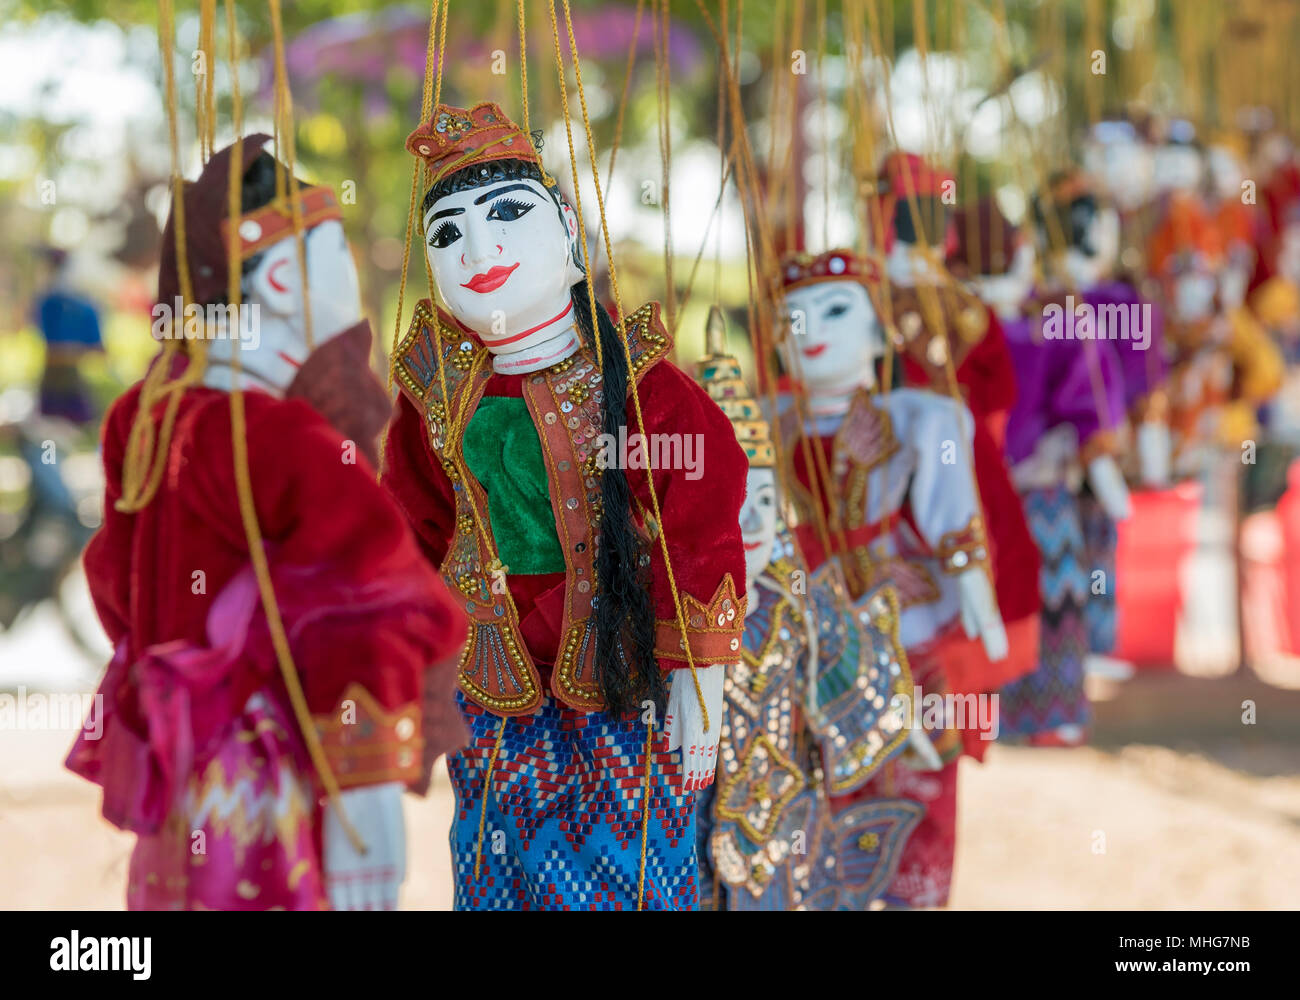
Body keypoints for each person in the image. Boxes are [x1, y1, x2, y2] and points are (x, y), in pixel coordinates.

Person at [67, 137, 466, 910]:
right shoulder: (287, 440)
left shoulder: (142, 421)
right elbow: (371, 612)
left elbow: (114, 582)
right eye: (335, 258)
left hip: (183, 787)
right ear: (283, 279)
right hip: (275, 791)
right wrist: (368, 803)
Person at [381, 102, 749, 909]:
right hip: (493, 686)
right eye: (446, 234)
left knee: (638, 873)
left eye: (508, 214)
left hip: (625, 677)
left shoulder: (644, 380)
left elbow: (698, 522)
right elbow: (411, 531)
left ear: (568, 233)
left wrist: (700, 677)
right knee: (495, 870)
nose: (478, 250)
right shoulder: (434, 393)